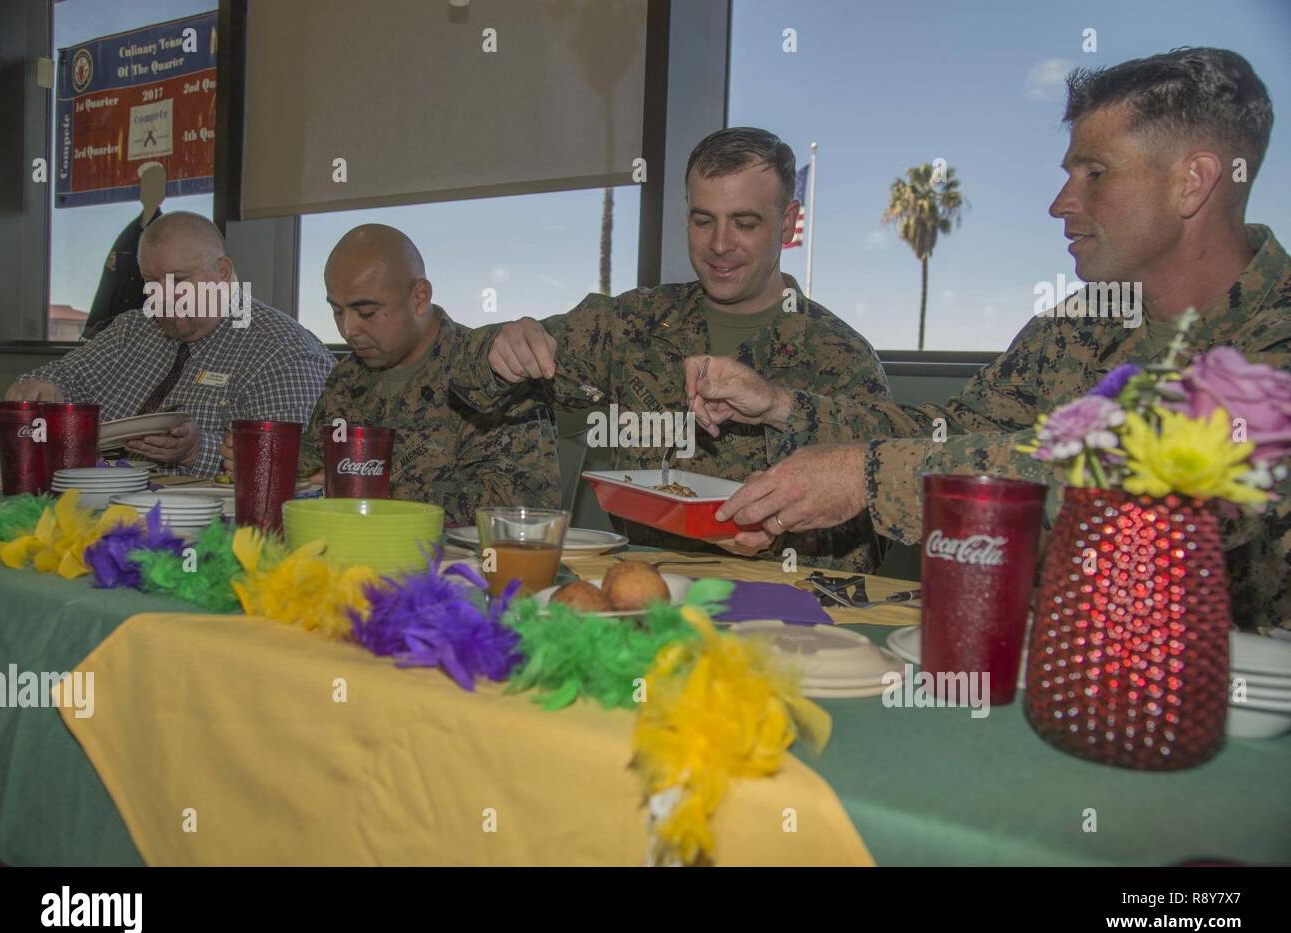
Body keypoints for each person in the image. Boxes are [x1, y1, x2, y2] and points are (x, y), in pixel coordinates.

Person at [687, 48, 1291, 628]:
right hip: (1045, 675)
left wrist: (867, 479)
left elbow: (1142, 478)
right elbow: (958, 432)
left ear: (1194, 182)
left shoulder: (1275, 335)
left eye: (1096, 173)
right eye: (1069, 173)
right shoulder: (1084, 324)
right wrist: (780, 407)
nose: (1061, 203)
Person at [449, 127, 891, 569]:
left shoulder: (841, 357)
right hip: (643, 591)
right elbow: (466, 374)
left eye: (745, 223)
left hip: (783, 609)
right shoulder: (634, 323)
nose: (719, 244)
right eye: (703, 220)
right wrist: (502, 348)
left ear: (790, 221)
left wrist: (779, 528)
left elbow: (878, 515)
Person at [221, 225, 560, 525]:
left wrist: (377, 494)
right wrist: (270, 462)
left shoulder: (492, 372)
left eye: (366, 312)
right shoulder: (348, 377)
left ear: (419, 298)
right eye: (337, 310)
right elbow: (314, 465)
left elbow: (520, 507)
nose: (348, 329)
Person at [8, 211, 333, 478]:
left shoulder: (282, 351)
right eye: (152, 282)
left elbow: (290, 470)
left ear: (222, 273)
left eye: (179, 280)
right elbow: (64, 377)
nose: (163, 296)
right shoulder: (132, 330)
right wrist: (41, 387)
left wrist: (195, 451)